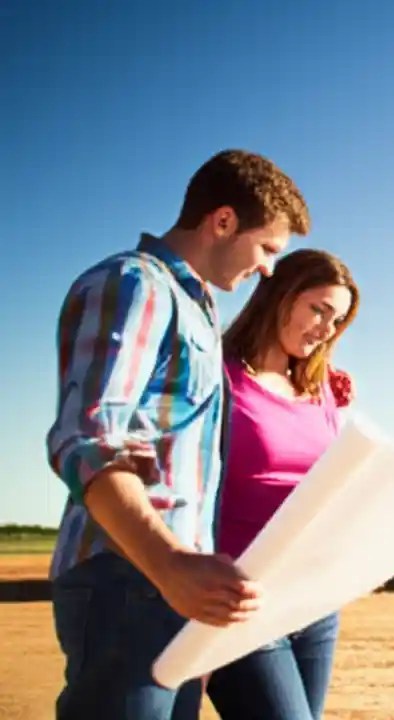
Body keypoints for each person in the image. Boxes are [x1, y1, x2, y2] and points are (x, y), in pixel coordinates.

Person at [44, 149, 311, 719]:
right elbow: (89, 439)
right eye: (267, 248)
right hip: (128, 577)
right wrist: (168, 565)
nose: (269, 269)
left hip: (174, 585)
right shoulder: (134, 284)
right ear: (223, 221)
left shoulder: (199, 309)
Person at [204, 249, 394, 718]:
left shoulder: (322, 391)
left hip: (313, 602)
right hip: (245, 600)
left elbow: (352, 481)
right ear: (279, 295)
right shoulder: (216, 376)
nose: (326, 329)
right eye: (319, 310)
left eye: (338, 320)